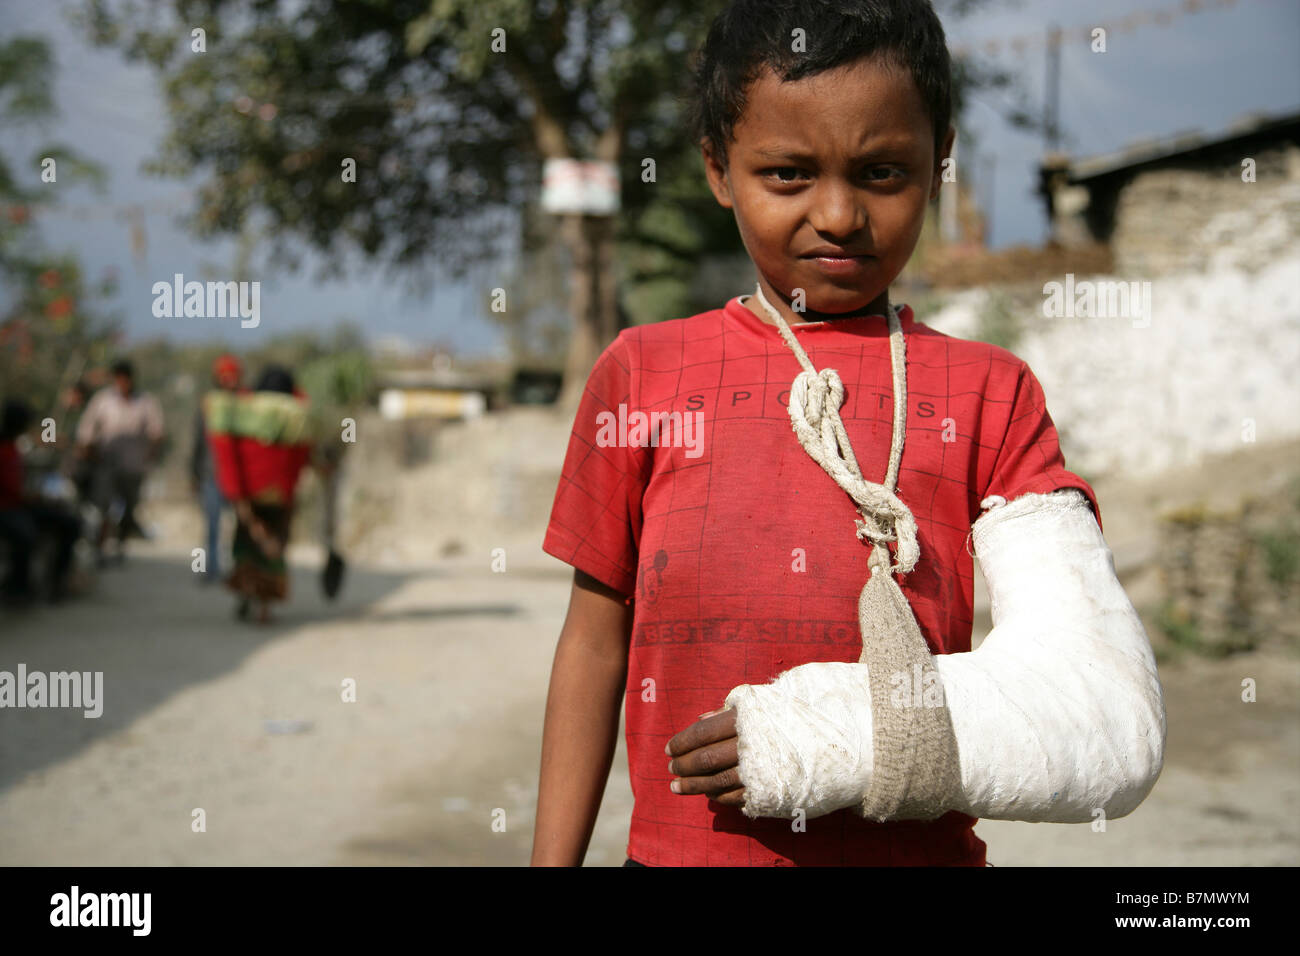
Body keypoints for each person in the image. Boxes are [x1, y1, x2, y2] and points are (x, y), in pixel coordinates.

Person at [532, 0, 1165, 867]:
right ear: (719, 169)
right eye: (788, 175)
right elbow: (594, 642)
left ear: (940, 166)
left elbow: (1099, 703)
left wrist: (837, 734)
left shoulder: (992, 393)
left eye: (882, 174)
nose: (837, 215)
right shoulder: (645, 373)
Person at [204, 364, 313, 624]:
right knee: (270, 551)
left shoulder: (240, 415)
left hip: (249, 495)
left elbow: (227, 458)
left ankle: (249, 596)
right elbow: (300, 460)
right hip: (277, 497)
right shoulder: (296, 418)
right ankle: (261, 605)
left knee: (247, 547)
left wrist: (238, 498)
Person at [75, 359, 165, 565]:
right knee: (105, 506)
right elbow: (87, 429)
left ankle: (120, 546)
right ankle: (100, 549)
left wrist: (150, 455)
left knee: (129, 507)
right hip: (106, 463)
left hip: (134, 465)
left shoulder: (146, 401)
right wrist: (87, 450)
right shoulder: (103, 400)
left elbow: (157, 432)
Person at [0, 399, 81, 604]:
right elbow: (14, 492)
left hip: (20, 505)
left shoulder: (15, 447)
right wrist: (37, 498)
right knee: (25, 533)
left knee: (70, 522)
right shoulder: (4, 449)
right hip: (8, 509)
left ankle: (56, 582)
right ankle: (17, 585)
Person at [191, 354, 243, 583]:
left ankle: (238, 570)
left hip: (239, 475)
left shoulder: (244, 404)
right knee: (212, 524)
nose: (229, 381)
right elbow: (198, 442)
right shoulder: (208, 405)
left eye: (232, 376)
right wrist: (193, 472)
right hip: (212, 474)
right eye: (225, 376)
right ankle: (210, 569)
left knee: (240, 525)